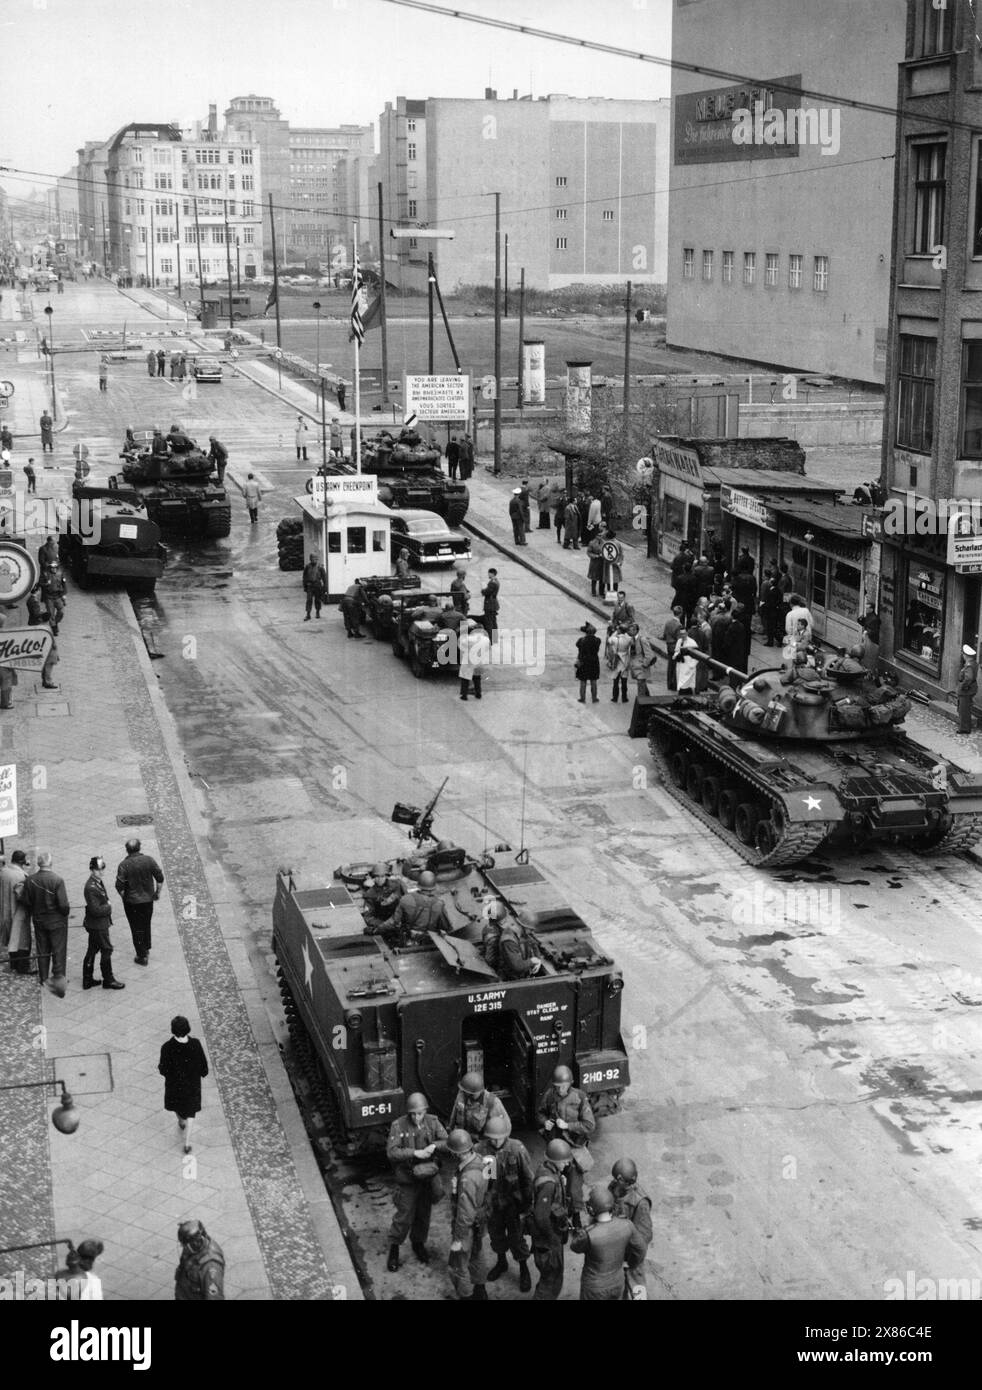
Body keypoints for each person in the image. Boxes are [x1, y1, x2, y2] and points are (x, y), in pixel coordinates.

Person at [385, 1092, 448, 1271]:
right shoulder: (398, 1125)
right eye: (413, 1113)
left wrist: (434, 1145)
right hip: (407, 1179)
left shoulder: (433, 1122)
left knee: (423, 1214)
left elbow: (447, 1141)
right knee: (404, 1215)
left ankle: (418, 1243)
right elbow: (392, 1152)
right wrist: (414, 1153)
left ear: (425, 1111)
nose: (416, 1116)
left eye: (419, 1113)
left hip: (427, 1176)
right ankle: (394, 1248)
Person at [478, 1115, 534, 1292]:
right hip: (494, 1203)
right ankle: (501, 1262)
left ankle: (524, 1269)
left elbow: (527, 1179)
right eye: (491, 1139)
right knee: (496, 1235)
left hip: (513, 1204)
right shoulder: (483, 1149)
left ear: (506, 1135)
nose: (495, 1142)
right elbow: (484, 1179)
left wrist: (527, 1205)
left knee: (517, 1239)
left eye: (498, 1138)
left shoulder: (517, 1149)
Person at [537, 1064, 596, 1220]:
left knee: (574, 1188)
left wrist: (568, 1126)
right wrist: (545, 1122)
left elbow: (589, 1125)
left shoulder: (580, 1097)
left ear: (570, 1083)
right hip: (556, 1149)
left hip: (574, 1149)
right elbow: (540, 1113)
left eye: (562, 1086)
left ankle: (576, 1218)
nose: (559, 1090)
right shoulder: (550, 1095)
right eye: (557, 1086)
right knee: (553, 1184)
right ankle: (557, 1214)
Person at [570, 1185, 647, 1301]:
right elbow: (641, 1249)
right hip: (617, 1282)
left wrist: (585, 1228)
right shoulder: (627, 1225)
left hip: (594, 1288)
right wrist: (631, 1263)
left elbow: (575, 1247)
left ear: (591, 1210)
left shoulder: (588, 1234)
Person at [447, 1128, 490, 1300]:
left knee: (458, 1264)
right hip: (481, 1218)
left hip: (468, 1225)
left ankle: (466, 1296)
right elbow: (490, 1186)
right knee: (477, 1254)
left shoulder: (467, 1178)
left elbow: (465, 1213)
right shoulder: (483, 1160)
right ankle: (481, 1291)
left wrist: (458, 1239)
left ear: (456, 1153)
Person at [530, 1138, 574, 1300]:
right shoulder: (548, 1183)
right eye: (563, 1162)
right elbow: (541, 1217)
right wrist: (553, 1238)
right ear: (554, 1161)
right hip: (547, 1240)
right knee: (550, 1279)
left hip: (550, 1236)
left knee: (553, 1276)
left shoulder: (548, 1170)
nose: (566, 1164)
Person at [158, 1015, 209, 1154]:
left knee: (176, 1105)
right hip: (192, 1085)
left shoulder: (167, 1047)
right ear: (188, 1028)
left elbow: (163, 1069)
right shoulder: (196, 1044)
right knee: (191, 1112)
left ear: (173, 1030)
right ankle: (187, 1143)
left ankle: (180, 1120)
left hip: (174, 1085)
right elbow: (203, 1066)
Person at [24, 851, 70, 995]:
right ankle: (58, 979)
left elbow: (26, 900)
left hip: (39, 920)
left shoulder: (30, 880)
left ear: (39, 864)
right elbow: (63, 905)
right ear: (50, 863)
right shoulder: (57, 880)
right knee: (58, 950)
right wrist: (65, 913)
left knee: (42, 949)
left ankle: (43, 979)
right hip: (56, 921)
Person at [115, 837, 164, 966]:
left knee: (136, 928)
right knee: (146, 923)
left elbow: (119, 886)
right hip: (148, 900)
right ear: (139, 847)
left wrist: (125, 898)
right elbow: (160, 878)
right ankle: (146, 947)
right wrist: (157, 893)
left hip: (132, 903)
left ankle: (141, 955)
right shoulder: (149, 860)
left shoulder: (123, 865)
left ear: (127, 850)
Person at [82, 855, 124, 991]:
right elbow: (95, 910)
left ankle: (87, 979)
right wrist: (109, 906)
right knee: (107, 949)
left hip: (96, 924)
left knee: (92, 949)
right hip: (98, 924)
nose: (101, 872)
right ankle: (108, 979)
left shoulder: (96, 882)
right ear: (92, 870)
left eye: (102, 869)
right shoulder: (91, 887)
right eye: (98, 869)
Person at [609, 1158, 653, 1268]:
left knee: (634, 1283)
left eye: (617, 1179)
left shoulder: (640, 1203)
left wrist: (632, 1263)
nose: (615, 1181)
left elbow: (644, 1237)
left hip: (629, 1254)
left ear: (621, 1179)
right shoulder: (614, 1187)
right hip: (615, 1247)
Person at [388, 870, 452, 942]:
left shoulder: (405, 899)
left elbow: (395, 921)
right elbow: (447, 927)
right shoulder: (439, 904)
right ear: (433, 887)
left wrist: (378, 928)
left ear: (419, 884)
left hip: (407, 939)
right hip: (428, 941)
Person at [449, 1071, 511, 1140]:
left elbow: (506, 1127)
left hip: (482, 1141)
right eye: (463, 1091)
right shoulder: (462, 1094)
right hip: (463, 1139)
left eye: (466, 1092)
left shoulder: (492, 1102)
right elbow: (453, 1115)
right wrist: (450, 1131)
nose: (463, 1093)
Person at [174, 1220, 225, 1301]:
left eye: (184, 1245)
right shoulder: (192, 1248)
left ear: (196, 1243)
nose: (183, 1247)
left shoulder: (211, 1266)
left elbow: (214, 1297)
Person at [1, 849, 33, 976]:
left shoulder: (3, 872)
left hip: (5, 911)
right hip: (18, 912)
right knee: (22, 940)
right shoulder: (21, 877)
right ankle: (22, 967)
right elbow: (23, 897)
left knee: (11, 939)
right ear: (22, 862)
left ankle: (13, 963)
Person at [498, 912, 543, 979]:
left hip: (521, 975)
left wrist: (538, 960)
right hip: (510, 979)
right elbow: (517, 966)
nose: (532, 932)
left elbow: (533, 944)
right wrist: (532, 961)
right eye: (531, 929)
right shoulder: (508, 941)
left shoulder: (521, 933)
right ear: (523, 926)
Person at [458, 618, 490, 701]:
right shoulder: (486, 639)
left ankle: (464, 695)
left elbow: (461, 646)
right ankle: (478, 693)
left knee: (465, 678)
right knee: (477, 678)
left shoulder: (468, 638)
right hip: (479, 661)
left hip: (468, 660)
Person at [626, 623, 658, 697]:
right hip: (635, 668)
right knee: (642, 684)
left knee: (640, 685)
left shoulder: (642, 640)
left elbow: (649, 654)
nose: (628, 632)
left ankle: (641, 703)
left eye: (630, 630)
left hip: (642, 667)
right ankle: (648, 699)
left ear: (635, 631)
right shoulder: (631, 640)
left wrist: (644, 664)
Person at [576, 621, 601, 704]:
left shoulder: (581, 640)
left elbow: (577, 645)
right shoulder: (598, 640)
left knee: (583, 681)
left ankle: (582, 698)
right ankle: (594, 698)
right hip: (594, 662)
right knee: (593, 681)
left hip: (584, 662)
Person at [956, 644, 979, 735]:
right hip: (970, 689)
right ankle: (965, 726)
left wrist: (962, 686)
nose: (962, 655)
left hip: (966, 691)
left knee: (963, 709)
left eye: (963, 654)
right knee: (965, 709)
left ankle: (964, 729)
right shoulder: (974, 663)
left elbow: (968, 678)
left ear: (966, 655)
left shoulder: (969, 665)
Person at [607, 622, 632, 704]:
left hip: (616, 659)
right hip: (624, 660)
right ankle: (624, 697)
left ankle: (615, 697)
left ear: (619, 630)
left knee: (615, 681)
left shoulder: (615, 639)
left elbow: (609, 639)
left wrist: (615, 632)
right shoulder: (628, 639)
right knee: (624, 681)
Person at [759, 574, 784, 647]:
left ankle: (771, 641)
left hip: (770, 612)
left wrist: (763, 606)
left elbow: (770, 603)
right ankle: (779, 640)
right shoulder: (778, 591)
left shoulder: (771, 592)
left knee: (770, 628)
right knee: (775, 627)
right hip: (776, 611)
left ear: (771, 583)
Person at [302, 553, 327, 620]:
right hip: (310, 585)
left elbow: (324, 578)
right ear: (310, 559)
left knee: (317, 600)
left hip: (317, 585)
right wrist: (305, 586)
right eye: (313, 558)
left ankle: (317, 612)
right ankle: (308, 614)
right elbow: (304, 577)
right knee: (309, 600)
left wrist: (325, 587)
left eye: (316, 558)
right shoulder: (307, 567)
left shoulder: (320, 567)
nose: (314, 559)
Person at [859, 605, 881, 671]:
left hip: (872, 640)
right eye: (866, 608)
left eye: (867, 608)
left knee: (870, 655)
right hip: (867, 638)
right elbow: (864, 624)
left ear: (872, 609)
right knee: (866, 653)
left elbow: (875, 631)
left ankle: (870, 670)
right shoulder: (869, 616)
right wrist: (860, 619)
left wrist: (867, 632)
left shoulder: (875, 618)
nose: (866, 609)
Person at [480, 568, 499, 639]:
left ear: (492, 574)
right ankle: (494, 637)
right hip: (493, 603)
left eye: (489, 573)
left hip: (490, 604)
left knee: (489, 622)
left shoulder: (492, 583)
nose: (488, 574)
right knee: (493, 621)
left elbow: (486, 592)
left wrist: (483, 590)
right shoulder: (496, 581)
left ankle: (490, 638)